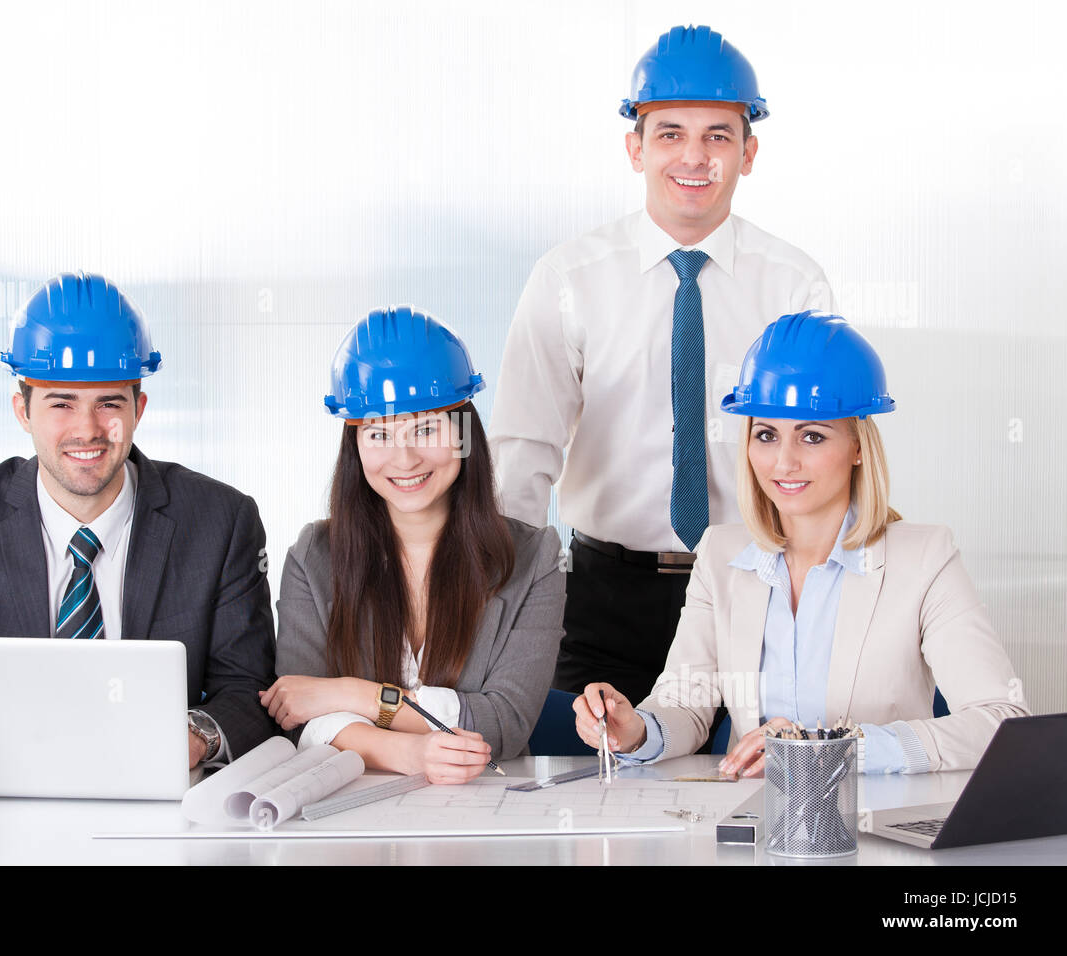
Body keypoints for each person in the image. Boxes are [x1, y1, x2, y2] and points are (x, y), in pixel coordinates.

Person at [488, 25, 834, 709]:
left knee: (753, 791)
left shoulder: (795, 287)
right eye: (671, 133)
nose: (694, 157)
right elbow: (524, 453)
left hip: (753, 588)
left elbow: (825, 457)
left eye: (718, 135)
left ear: (749, 152)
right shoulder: (569, 278)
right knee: (588, 786)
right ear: (635, 147)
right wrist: (498, 607)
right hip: (601, 601)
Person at [0, 272, 277, 766]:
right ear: (22, 411)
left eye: (108, 403)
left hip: (153, 810)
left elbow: (251, 693)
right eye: (61, 404)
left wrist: (196, 737)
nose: (86, 430)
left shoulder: (221, 521)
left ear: (139, 409)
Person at [573, 311, 1029, 774]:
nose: (783, 462)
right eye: (766, 435)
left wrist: (828, 747)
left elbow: (1000, 720)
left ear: (857, 447)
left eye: (812, 436)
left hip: (872, 824)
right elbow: (687, 705)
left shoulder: (925, 559)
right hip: (754, 822)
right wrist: (635, 730)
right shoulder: (721, 555)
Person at [265, 307, 566, 784]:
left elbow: (502, 725)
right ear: (354, 444)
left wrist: (355, 695)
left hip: (486, 809)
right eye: (379, 433)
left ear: (465, 433)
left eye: (426, 428)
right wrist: (408, 752)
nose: (404, 459)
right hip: (351, 821)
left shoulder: (534, 558)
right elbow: (298, 712)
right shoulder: (314, 555)